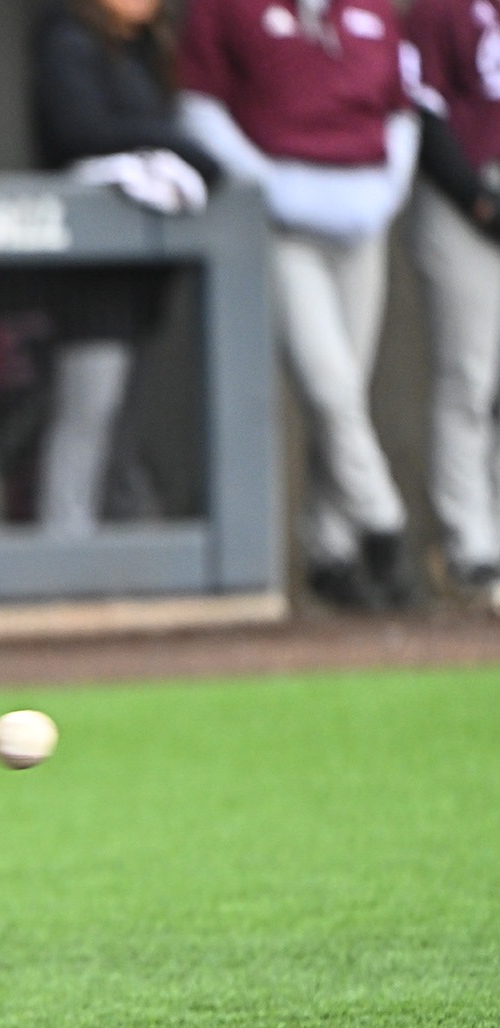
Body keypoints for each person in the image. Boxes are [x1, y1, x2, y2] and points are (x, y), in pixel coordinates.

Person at [176, 0, 420, 609]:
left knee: (346, 396)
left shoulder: (371, 10)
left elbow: (401, 108)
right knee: (329, 384)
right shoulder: (227, 8)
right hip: (284, 221)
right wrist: (265, 181)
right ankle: (385, 525)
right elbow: (199, 107)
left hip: (361, 217)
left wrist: (387, 191)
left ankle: (329, 554)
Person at [29, 0, 221, 536]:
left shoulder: (142, 49)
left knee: (122, 418)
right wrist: (172, 143)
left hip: (137, 270)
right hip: (91, 269)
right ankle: (65, 548)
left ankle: (122, 544)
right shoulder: (65, 36)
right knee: (88, 409)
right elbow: (78, 130)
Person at [403, 0, 500, 606]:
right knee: (468, 376)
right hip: (465, 197)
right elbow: (423, 112)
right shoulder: (438, 10)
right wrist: (478, 200)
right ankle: (470, 547)